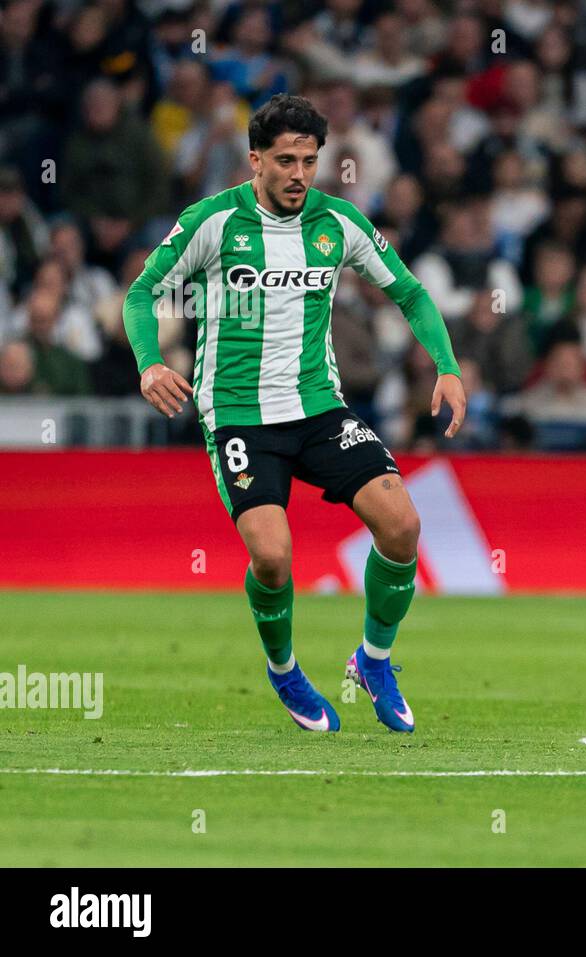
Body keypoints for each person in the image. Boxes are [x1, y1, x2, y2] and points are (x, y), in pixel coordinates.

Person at [123, 95, 465, 735]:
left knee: (402, 525)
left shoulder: (339, 223)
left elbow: (411, 293)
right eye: (285, 160)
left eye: (310, 160)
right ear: (255, 159)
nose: (300, 174)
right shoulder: (214, 222)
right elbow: (143, 292)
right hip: (239, 417)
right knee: (274, 558)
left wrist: (446, 365)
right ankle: (284, 671)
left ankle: (373, 660)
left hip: (318, 408)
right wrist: (149, 361)